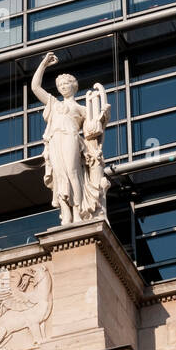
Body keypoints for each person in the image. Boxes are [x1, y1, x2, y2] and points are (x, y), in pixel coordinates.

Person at [30, 52, 111, 225]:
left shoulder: (82, 109)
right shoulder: (54, 103)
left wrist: (103, 116)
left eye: (66, 83)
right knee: (60, 175)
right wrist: (43, 64)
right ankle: (66, 213)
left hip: (71, 138)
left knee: (73, 172)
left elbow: (93, 130)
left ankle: (77, 211)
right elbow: (35, 87)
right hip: (54, 139)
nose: (63, 86)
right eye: (60, 84)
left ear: (74, 86)